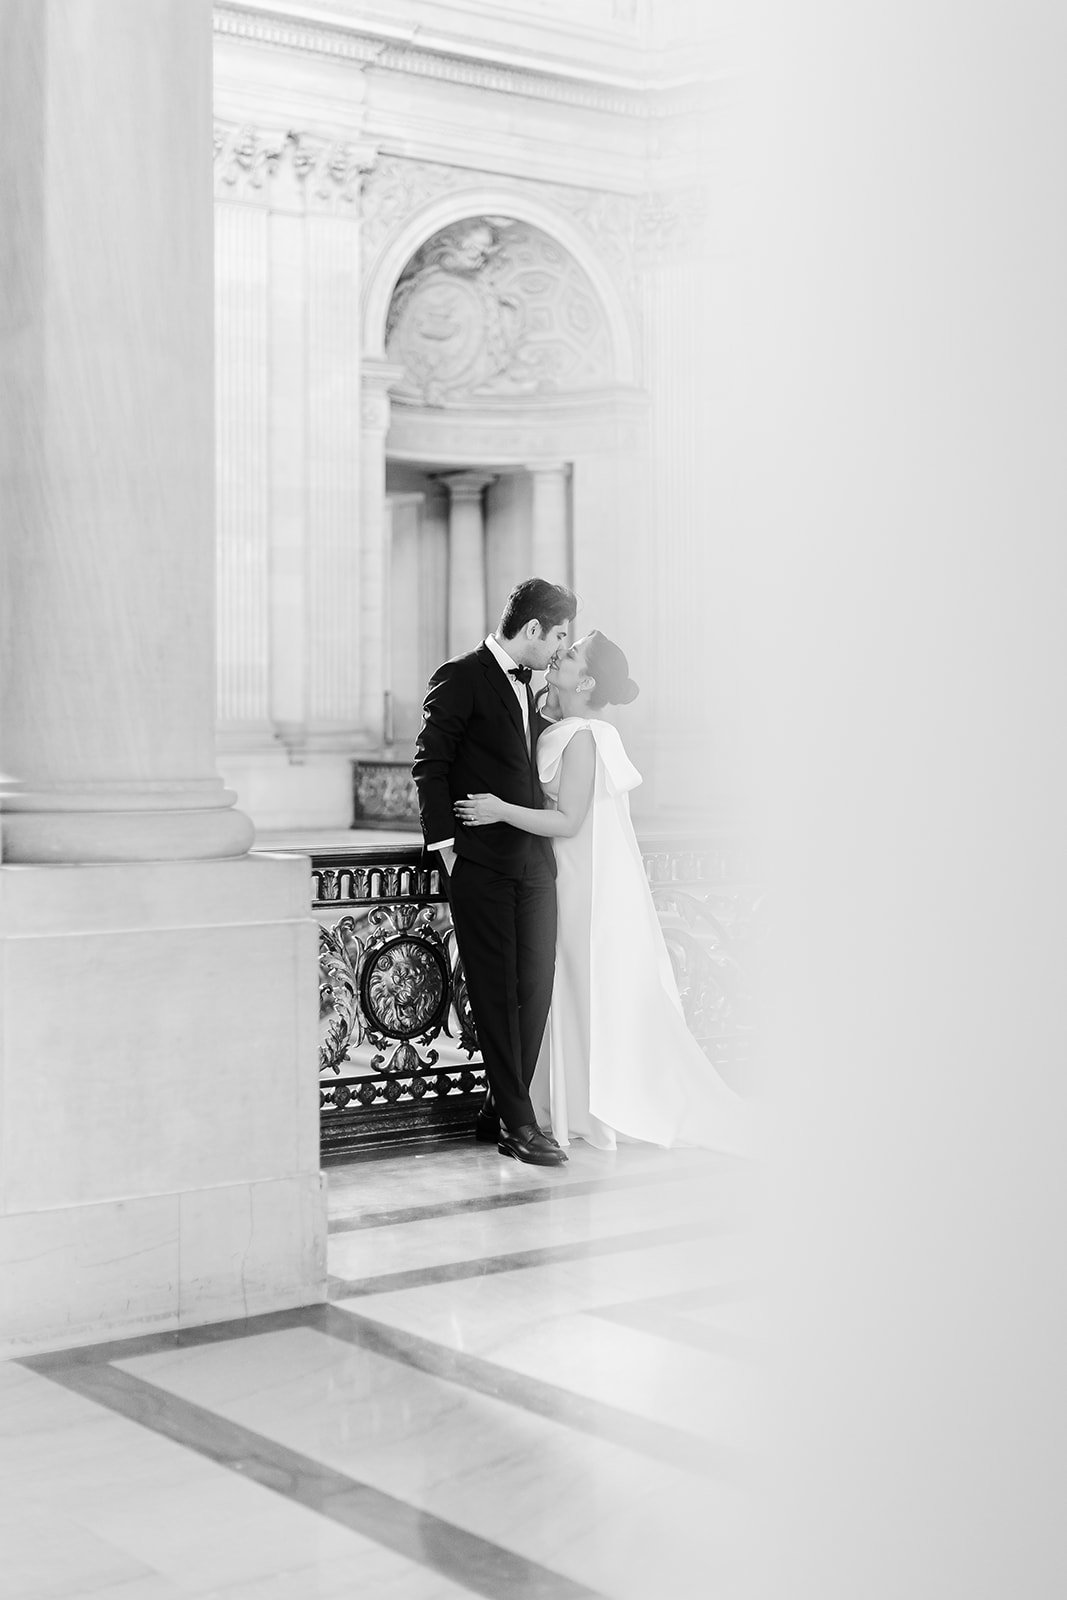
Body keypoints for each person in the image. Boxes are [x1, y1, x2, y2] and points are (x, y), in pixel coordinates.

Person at [454, 631, 750, 1156]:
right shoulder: (557, 724)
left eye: (570, 654)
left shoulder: (587, 734)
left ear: (585, 680)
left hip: (578, 879)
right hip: (552, 876)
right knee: (553, 988)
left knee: (571, 983)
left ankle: (576, 1104)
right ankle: (533, 1102)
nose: (558, 655)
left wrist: (498, 809)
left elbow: (569, 821)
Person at [412, 577, 577, 1167]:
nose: (561, 647)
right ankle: (519, 1123)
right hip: (480, 866)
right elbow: (430, 766)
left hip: (535, 864)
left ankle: (499, 1105)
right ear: (531, 629)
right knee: (493, 992)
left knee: (535, 988)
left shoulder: (535, 690)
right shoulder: (460, 676)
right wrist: (450, 852)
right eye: (558, 635)